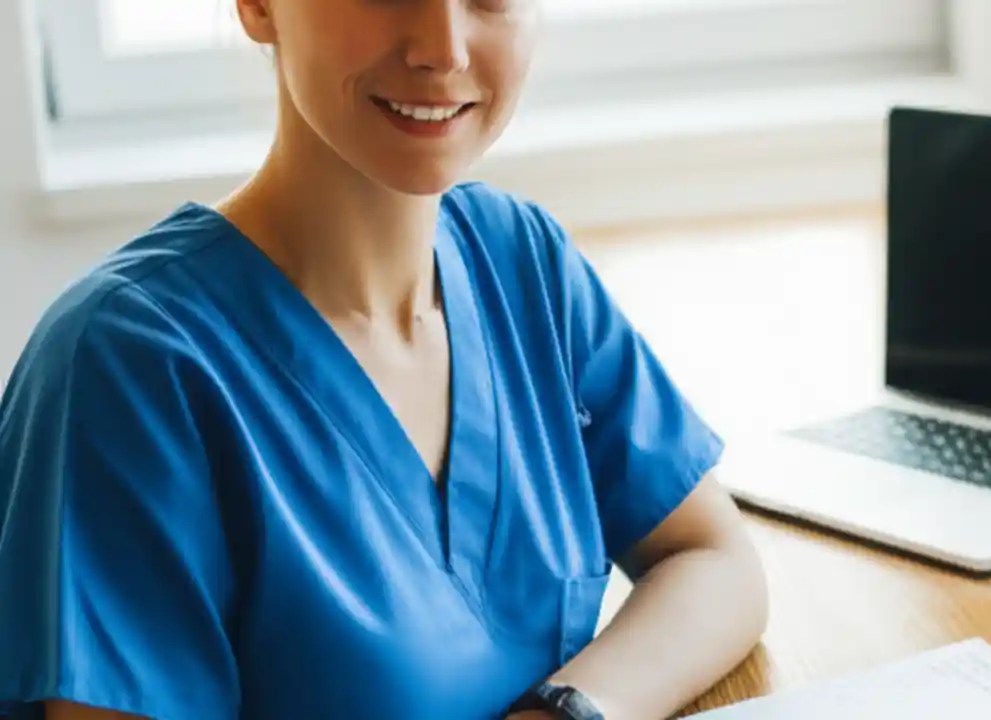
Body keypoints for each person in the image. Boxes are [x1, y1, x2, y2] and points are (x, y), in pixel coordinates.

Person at [0, 0, 768, 718]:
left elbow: (713, 559)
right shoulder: (125, 372)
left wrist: (563, 711)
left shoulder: (520, 262)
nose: (442, 48)